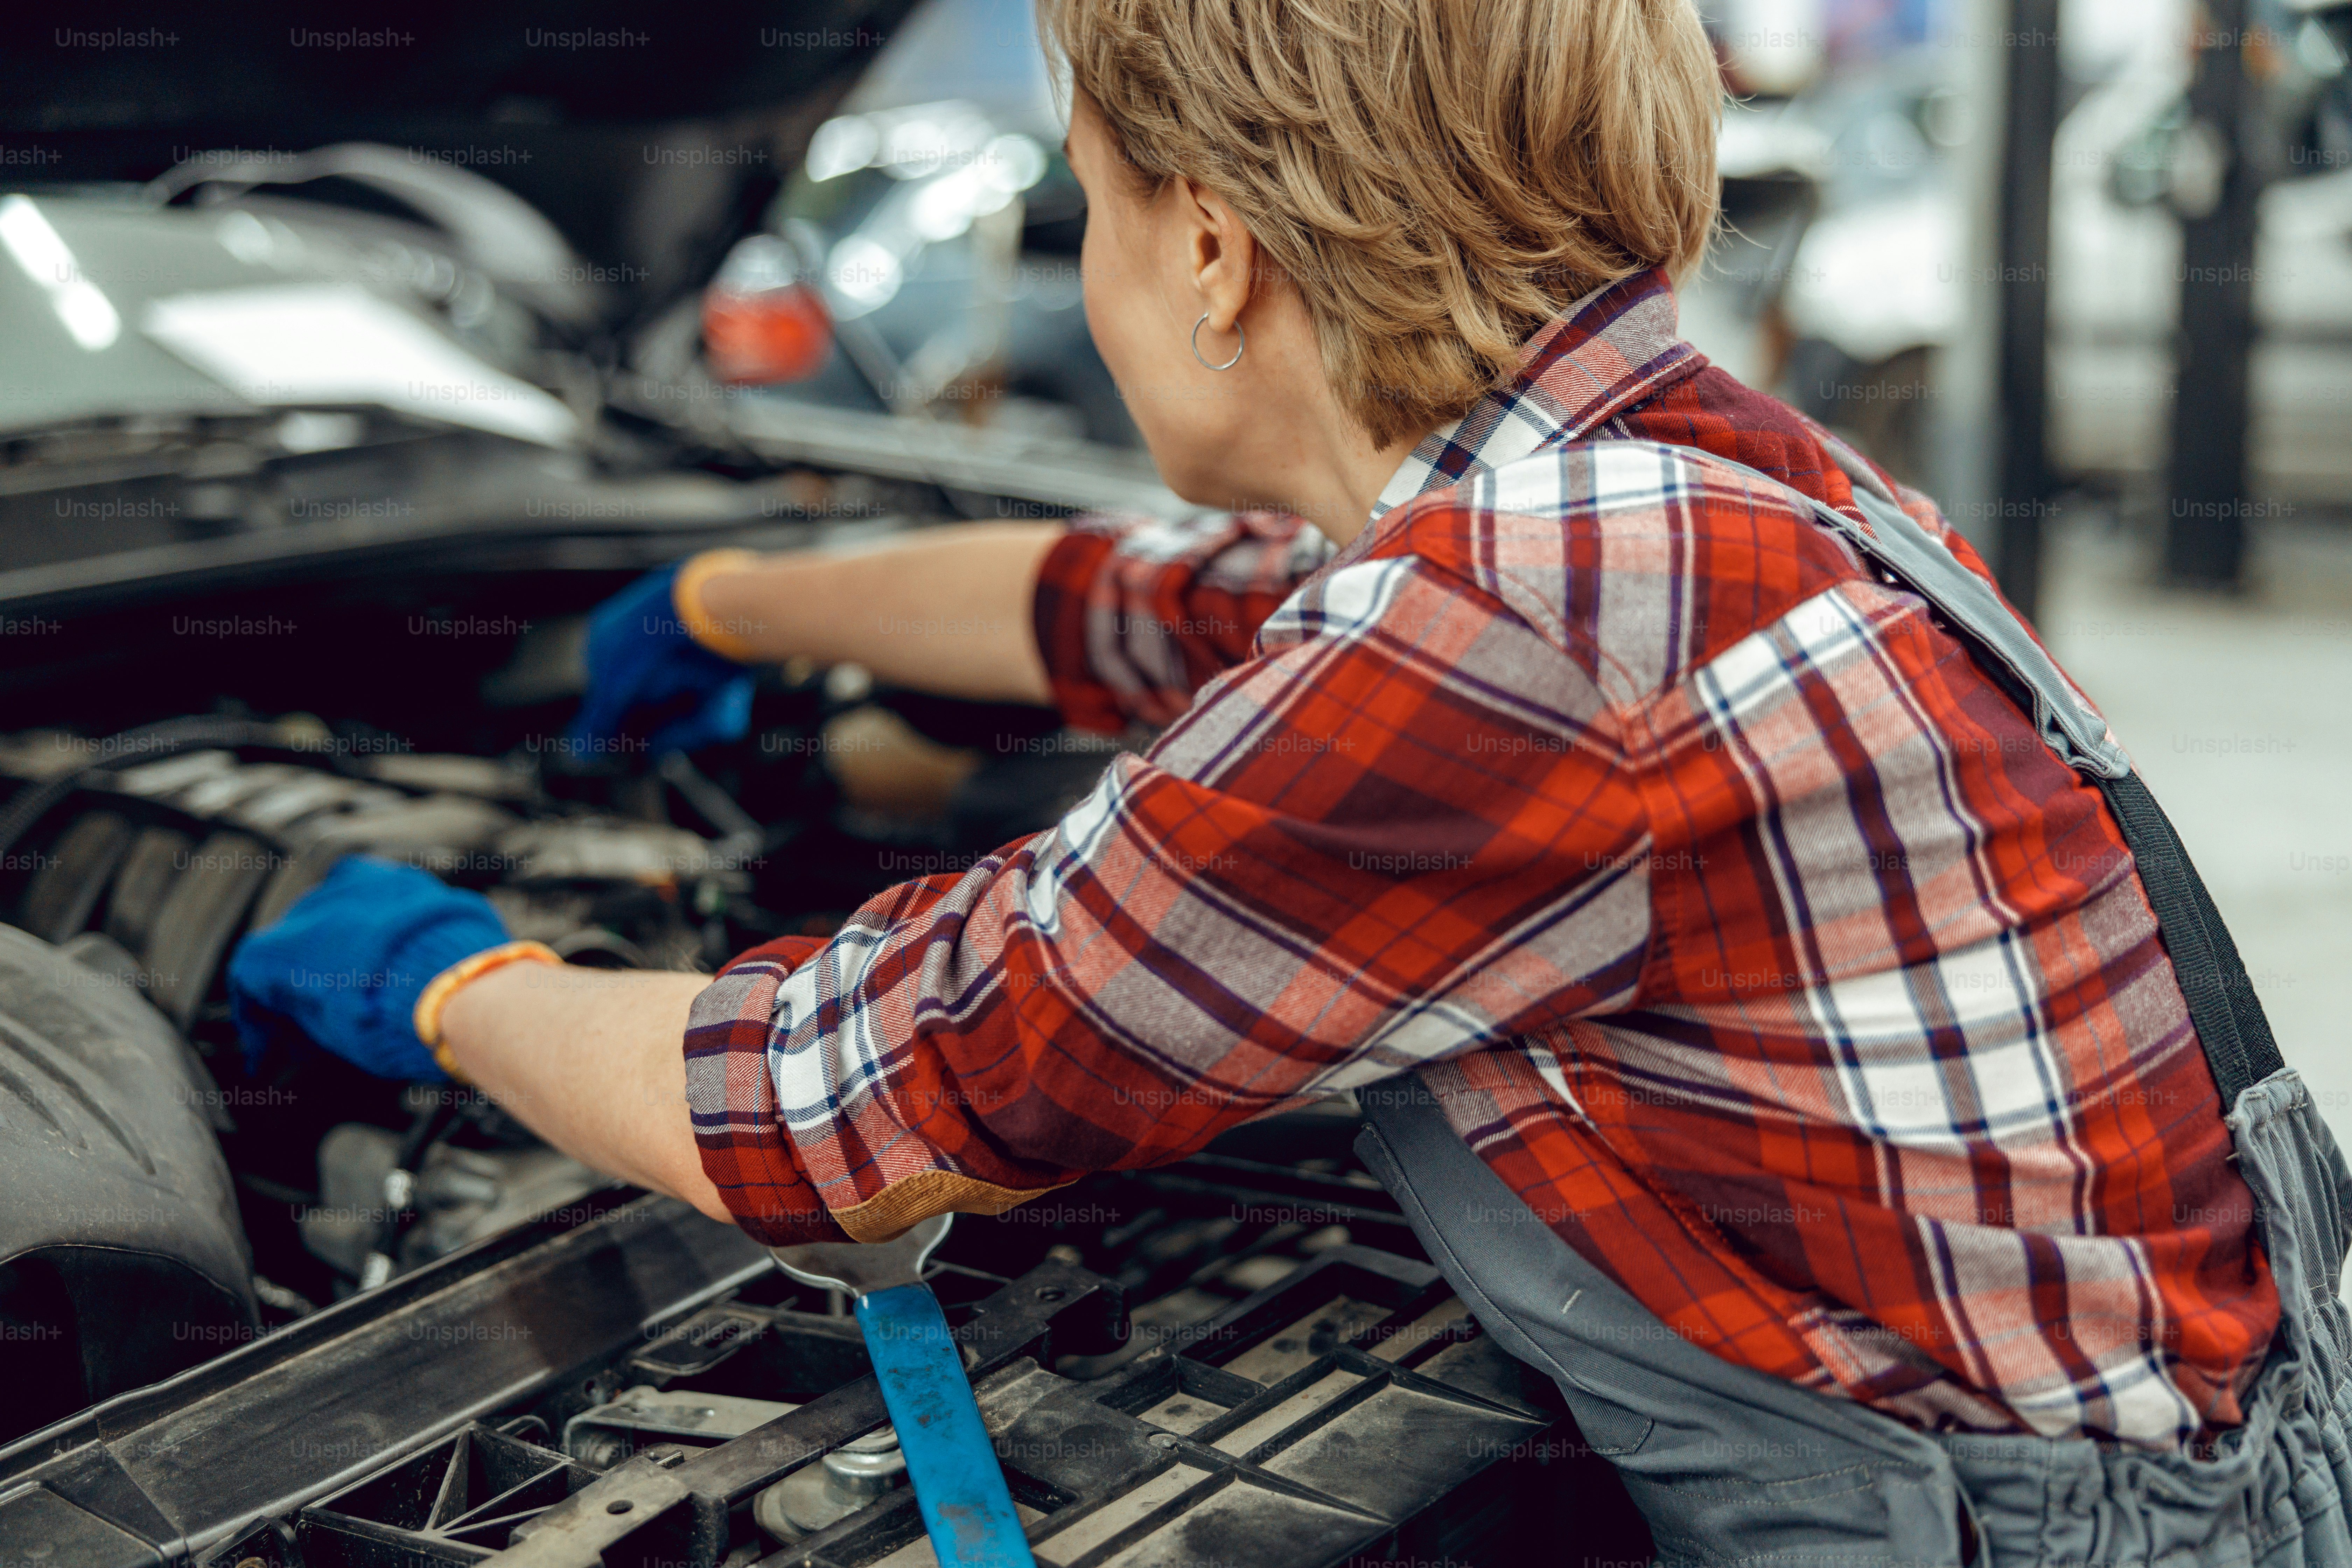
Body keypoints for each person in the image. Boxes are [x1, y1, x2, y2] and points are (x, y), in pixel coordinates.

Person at [227, 0, 2352, 1560]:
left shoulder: (1521, 623)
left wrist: (441, 980)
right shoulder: (1665, 475)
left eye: (1098, 208)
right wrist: (746, 603)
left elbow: (830, 1115)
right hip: (2175, 1434)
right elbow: (1147, 604)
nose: (1100, 261)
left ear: (1218, 252)